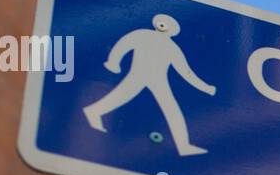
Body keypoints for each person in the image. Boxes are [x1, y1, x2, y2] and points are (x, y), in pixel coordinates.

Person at [84, 13, 215, 155]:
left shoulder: (170, 47)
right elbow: (124, 44)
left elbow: (186, 72)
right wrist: (113, 62)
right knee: (125, 98)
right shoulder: (145, 36)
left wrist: (206, 87)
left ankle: (183, 146)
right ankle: (94, 112)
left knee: (170, 109)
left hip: (157, 80)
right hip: (139, 76)